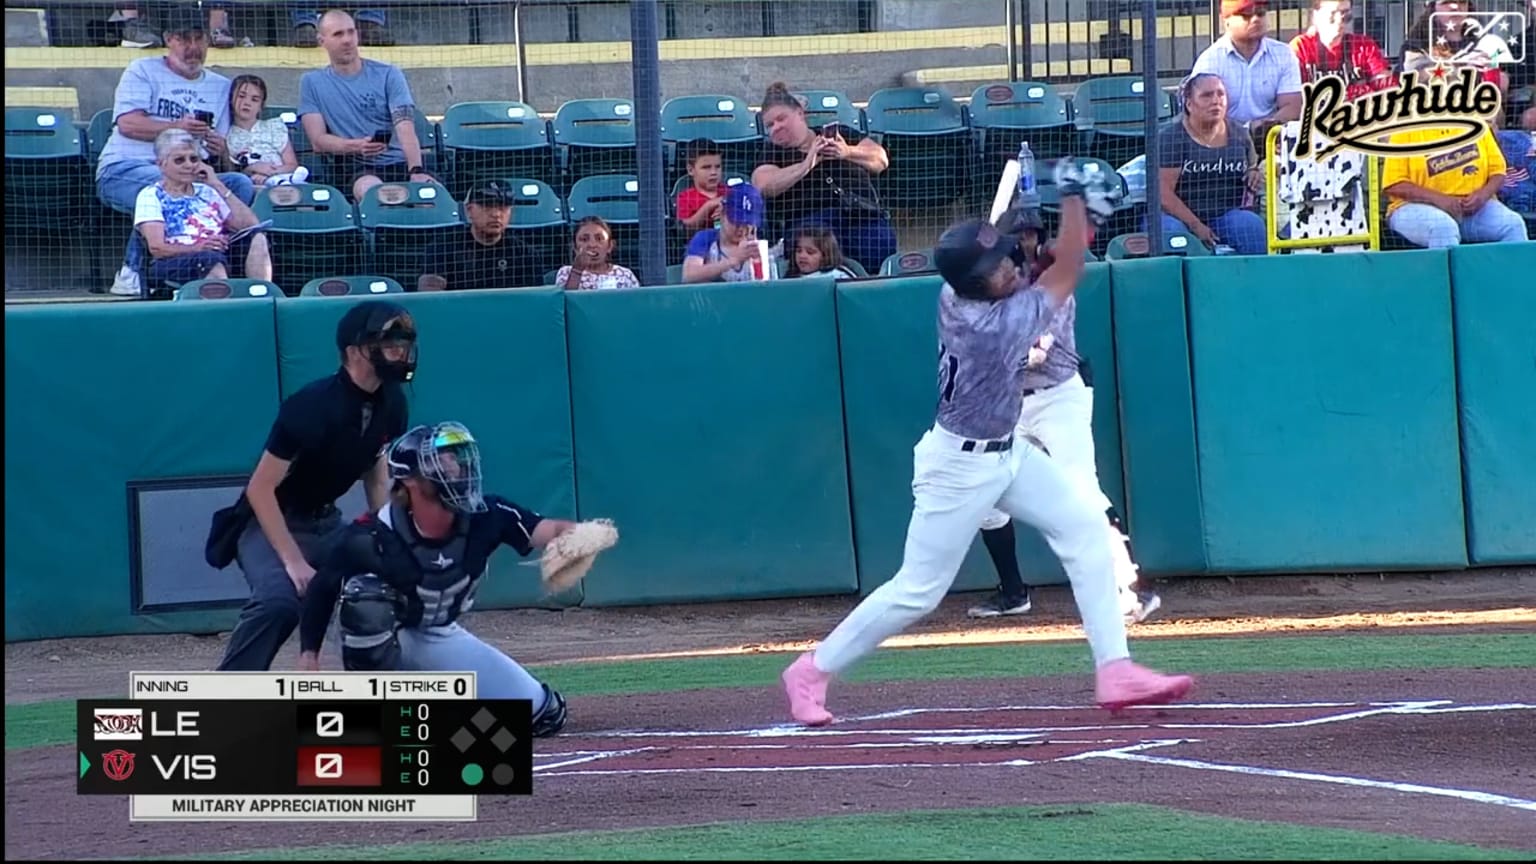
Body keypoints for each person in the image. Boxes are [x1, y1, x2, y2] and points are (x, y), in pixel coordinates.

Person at [779, 158, 1194, 727]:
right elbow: (1068, 268)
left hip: (1008, 452)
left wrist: (1026, 240)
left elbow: (1026, 266)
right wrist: (1076, 205)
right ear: (978, 285)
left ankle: (1114, 667)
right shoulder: (987, 325)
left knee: (1081, 528)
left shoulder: (966, 291)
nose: (1011, 266)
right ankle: (811, 670)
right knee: (917, 591)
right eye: (999, 266)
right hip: (959, 467)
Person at [296, 421, 577, 738]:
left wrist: (580, 537)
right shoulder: (372, 535)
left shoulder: (488, 514)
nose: (454, 466)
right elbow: (323, 588)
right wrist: (310, 657)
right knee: (366, 597)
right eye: (441, 459)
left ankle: (435, 708)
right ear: (411, 481)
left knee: (544, 714)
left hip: (437, 631)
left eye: (456, 457)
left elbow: (547, 530)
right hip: (391, 634)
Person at [968, 207, 1161, 624]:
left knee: (1082, 492)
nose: (1022, 245)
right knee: (985, 493)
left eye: (1028, 237)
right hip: (1013, 407)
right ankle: (1013, 592)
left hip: (1058, 398)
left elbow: (1034, 354)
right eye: (1014, 239)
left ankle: (1131, 590)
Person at [213, 301, 416, 672]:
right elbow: (261, 489)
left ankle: (382, 692)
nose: (399, 353)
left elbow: (375, 469)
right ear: (355, 352)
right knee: (279, 603)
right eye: (389, 344)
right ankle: (228, 694)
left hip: (328, 522)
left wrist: (386, 534)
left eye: (402, 344)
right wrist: (294, 562)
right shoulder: (312, 406)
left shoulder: (393, 403)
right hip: (272, 520)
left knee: (389, 587)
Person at [95, 6, 256, 296]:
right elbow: (128, 124)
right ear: (169, 39)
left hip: (186, 172)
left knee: (237, 184)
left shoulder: (220, 86)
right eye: (184, 39)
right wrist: (176, 126)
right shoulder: (143, 70)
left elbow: (209, 147)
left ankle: (208, 259)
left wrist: (218, 148)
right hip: (123, 169)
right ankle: (132, 271)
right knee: (163, 185)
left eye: (199, 38)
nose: (193, 47)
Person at [751, 81, 896, 275]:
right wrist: (807, 164)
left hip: (860, 213)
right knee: (817, 248)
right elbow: (764, 184)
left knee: (879, 241)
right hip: (810, 223)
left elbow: (880, 159)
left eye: (781, 119)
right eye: (770, 125)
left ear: (800, 113)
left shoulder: (841, 134)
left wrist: (847, 152)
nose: (775, 127)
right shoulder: (772, 152)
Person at [298, 10, 433, 202]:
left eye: (351, 32)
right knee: (376, 194)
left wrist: (416, 170)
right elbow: (318, 141)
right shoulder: (311, 82)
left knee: (431, 195)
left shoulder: (389, 74)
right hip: (357, 167)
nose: (347, 40)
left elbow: (404, 126)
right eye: (338, 34)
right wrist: (354, 146)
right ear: (322, 41)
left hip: (402, 161)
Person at [135, 128, 273, 286]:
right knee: (210, 259)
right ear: (161, 164)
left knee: (257, 237)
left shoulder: (207, 191)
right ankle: (220, 307)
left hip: (217, 253)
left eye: (193, 159)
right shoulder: (151, 195)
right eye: (179, 160)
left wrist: (217, 184)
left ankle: (261, 298)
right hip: (175, 261)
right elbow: (157, 248)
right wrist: (199, 247)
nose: (189, 165)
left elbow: (250, 225)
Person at [1151, 73, 1268, 255]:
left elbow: (1252, 161)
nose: (1216, 101)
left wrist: (1253, 171)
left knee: (1251, 226)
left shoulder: (1239, 133)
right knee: (1174, 235)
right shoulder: (1171, 138)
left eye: (1220, 94)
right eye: (1207, 95)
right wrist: (1196, 226)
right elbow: (1163, 194)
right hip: (1175, 216)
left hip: (1224, 214)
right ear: (1189, 104)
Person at [1190, 0, 1303, 149]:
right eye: (1246, 15)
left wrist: (1264, 127)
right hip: (1223, 145)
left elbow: (1293, 106)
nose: (1256, 19)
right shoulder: (1210, 60)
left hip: (1271, 141)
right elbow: (1203, 114)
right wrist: (1244, 133)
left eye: (1261, 13)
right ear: (1226, 20)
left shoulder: (1283, 54)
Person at [417, 180, 542, 292]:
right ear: (469, 210)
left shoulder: (524, 253)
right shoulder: (443, 247)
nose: (496, 214)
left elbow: (535, 301)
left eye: (503, 207)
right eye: (487, 206)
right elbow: (429, 298)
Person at [1288, 0, 1396, 100]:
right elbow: (1293, 97)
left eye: (1345, 14)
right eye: (1332, 14)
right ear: (1316, 16)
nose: (1339, 21)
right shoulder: (1301, 47)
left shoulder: (1364, 46)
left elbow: (1387, 89)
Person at [224, 73, 311, 188]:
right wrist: (252, 170)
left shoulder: (274, 128)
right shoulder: (226, 134)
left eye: (254, 99)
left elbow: (292, 165)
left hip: (281, 176)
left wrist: (270, 173)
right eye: (241, 96)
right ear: (231, 99)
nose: (247, 103)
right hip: (251, 185)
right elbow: (231, 171)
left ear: (261, 106)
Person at [681, 183, 768, 283]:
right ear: (722, 212)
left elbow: (764, 283)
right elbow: (689, 275)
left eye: (747, 224)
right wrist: (732, 261)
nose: (741, 229)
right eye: (736, 222)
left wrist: (759, 261)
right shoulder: (705, 238)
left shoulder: (758, 243)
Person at [557, 217, 640, 290]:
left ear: (610, 246)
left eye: (599, 239)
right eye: (584, 239)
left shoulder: (625, 274)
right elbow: (564, 303)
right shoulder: (566, 273)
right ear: (575, 247)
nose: (592, 245)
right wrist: (577, 271)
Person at [677, 138, 726, 231]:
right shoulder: (685, 198)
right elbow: (685, 227)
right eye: (706, 167)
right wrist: (708, 206)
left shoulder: (731, 192)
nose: (713, 172)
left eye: (718, 166)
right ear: (691, 170)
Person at [785, 225, 859, 280]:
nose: (802, 256)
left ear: (826, 255)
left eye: (810, 252)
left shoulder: (839, 276)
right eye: (799, 251)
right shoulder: (789, 278)